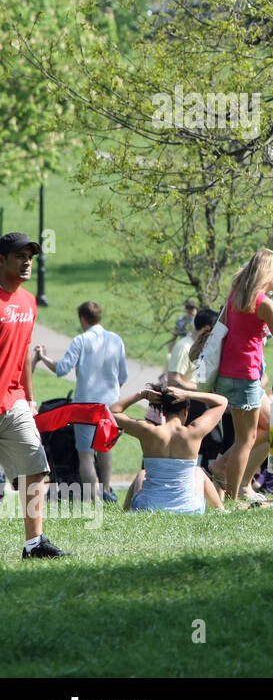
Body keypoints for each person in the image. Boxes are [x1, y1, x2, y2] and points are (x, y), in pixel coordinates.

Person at [208, 249, 273, 506]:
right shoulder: (263, 304)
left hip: (232, 375)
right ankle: (234, 496)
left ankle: (235, 478)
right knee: (246, 439)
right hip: (245, 378)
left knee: (272, 427)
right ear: (269, 272)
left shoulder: (235, 297)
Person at [0, 233, 71, 558]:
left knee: (36, 467)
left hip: (13, 401)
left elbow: (25, 352)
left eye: (31, 256)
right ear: (1, 260)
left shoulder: (28, 302)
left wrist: (29, 396)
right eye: (19, 256)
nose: (27, 262)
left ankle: (34, 544)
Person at [33, 301, 129, 502]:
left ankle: (92, 498)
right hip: (110, 405)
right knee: (105, 448)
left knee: (85, 455)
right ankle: (107, 491)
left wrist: (43, 357)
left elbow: (62, 369)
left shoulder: (80, 340)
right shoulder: (116, 340)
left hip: (85, 405)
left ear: (83, 319)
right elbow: (123, 376)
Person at [112, 385, 227, 514]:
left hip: (147, 508)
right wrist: (188, 394)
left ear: (163, 412)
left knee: (142, 474)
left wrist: (142, 394)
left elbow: (112, 412)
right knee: (198, 471)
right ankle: (221, 511)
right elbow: (222, 402)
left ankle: (125, 512)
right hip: (190, 508)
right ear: (186, 411)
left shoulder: (148, 431)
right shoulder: (194, 432)